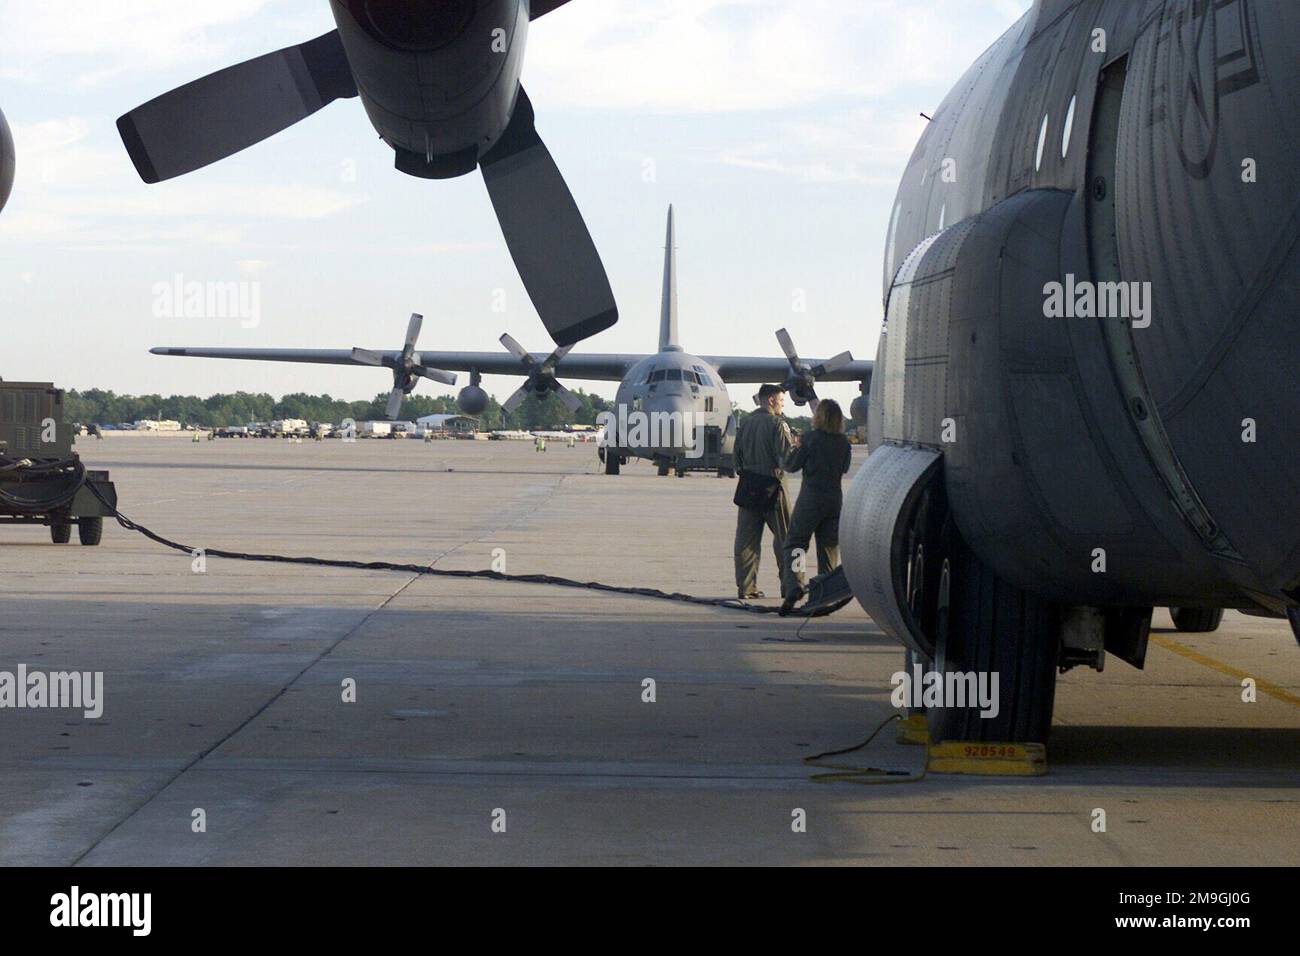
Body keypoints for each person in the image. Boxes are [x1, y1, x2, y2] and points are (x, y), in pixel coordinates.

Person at [780, 399, 853, 611]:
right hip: (834, 500)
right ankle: (824, 593)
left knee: (796, 543)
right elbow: (846, 467)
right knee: (829, 548)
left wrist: (793, 448)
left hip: (811, 499)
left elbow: (791, 465)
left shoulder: (810, 439)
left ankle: (795, 584)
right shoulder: (844, 442)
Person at [733, 384, 796, 600]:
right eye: (781, 401)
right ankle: (792, 586)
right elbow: (788, 460)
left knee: (746, 542)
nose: (782, 405)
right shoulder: (778, 424)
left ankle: (746, 588)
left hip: (748, 486)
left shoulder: (745, 423)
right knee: (789, 538)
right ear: (770, 400)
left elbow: (736, 460)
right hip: (774, 487)